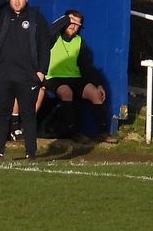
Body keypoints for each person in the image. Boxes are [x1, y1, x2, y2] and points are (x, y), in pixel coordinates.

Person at [0, 0, 51, 160]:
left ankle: (30, 153)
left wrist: (41, 71)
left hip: (27, 75)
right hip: (3, 74)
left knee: (28, 114)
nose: (17, 2)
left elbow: (44, 45)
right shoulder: (3, 14)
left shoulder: (36, 17)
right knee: (3, 113)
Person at [43, 10, 113, 143]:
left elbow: (86, 66)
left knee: (95, 94)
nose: (73, 26)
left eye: (77, 24)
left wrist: (98, 84)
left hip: (75, 78)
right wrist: (63, 21)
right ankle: (72, 131)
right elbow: (48, 32)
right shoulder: (53, 37)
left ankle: (103, 132)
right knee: (66, 92)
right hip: (54, 77)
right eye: (70, 22)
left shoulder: (79, 41)